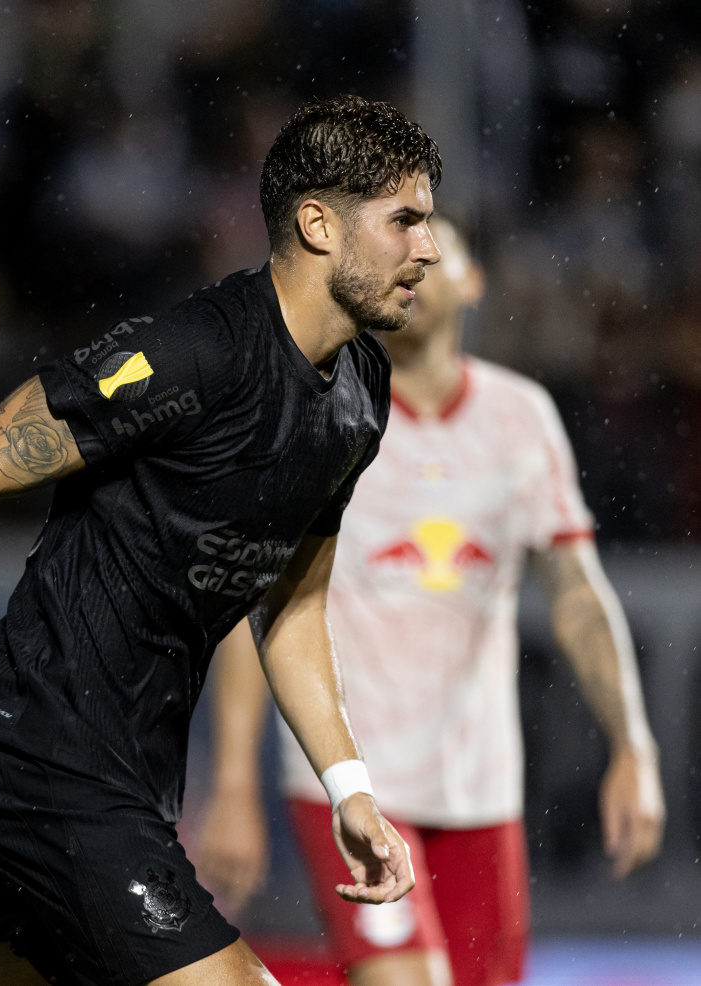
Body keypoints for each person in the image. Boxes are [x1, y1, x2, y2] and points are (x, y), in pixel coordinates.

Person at [0, 95, 444, 986]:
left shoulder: (360, 395)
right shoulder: (193, 352)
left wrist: (349, 789)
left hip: (130, 770)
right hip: (39, 749)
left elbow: (293, 607)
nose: (427, 247)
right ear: (317, 224)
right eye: (405, 221)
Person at [197, 217, 666, 986]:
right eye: (392, 251)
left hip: (480, 786)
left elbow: (577, 594)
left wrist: (632, 745)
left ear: (472, 280)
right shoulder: (318, 413)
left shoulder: (520, 419)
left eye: (432, 250)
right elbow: (259, 603)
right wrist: (235, 783)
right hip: (353, 780)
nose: (412, 263)